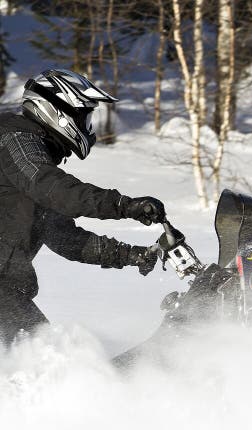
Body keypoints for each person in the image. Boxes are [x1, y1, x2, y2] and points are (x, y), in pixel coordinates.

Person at [0, 68, 166, 346]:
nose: (86, 126)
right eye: (83, 117)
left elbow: (65, 238)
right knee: (41, 359)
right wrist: (124, 206)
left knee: (37, 358)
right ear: (57, 110)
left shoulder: (30, 161)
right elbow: (57, 190)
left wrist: (132, 255)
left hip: (7, 289)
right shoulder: (16, 141)